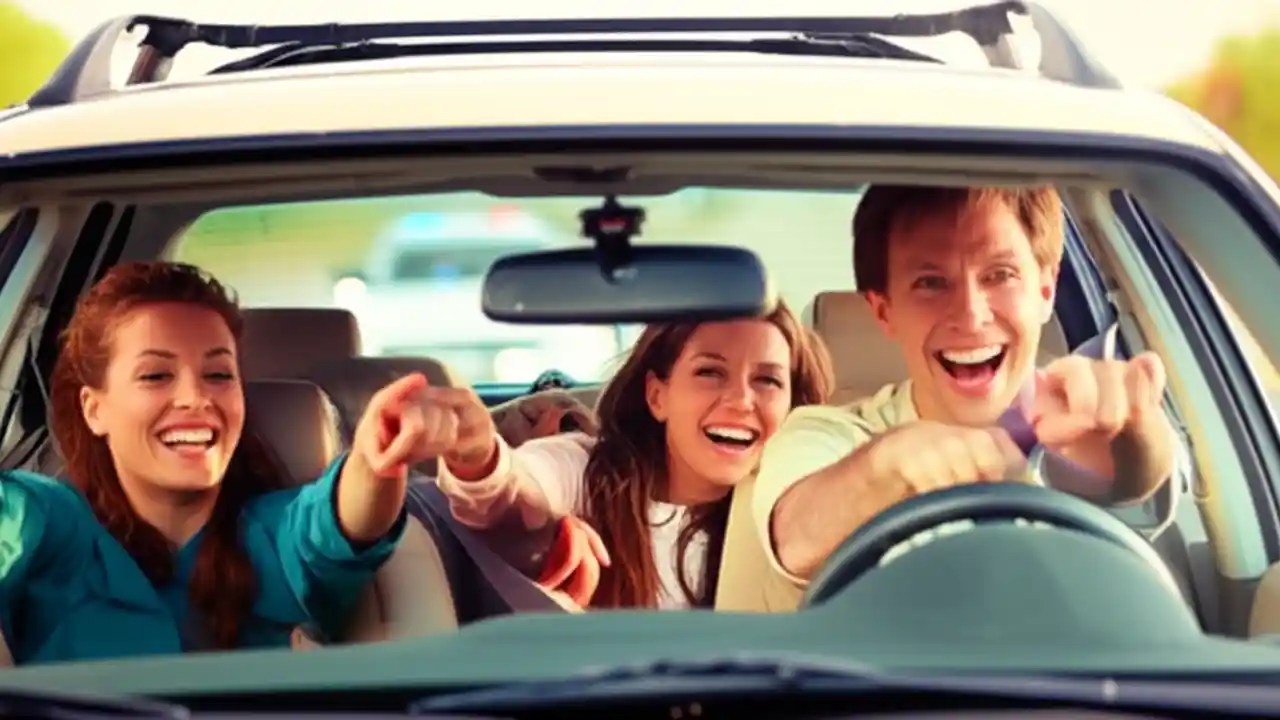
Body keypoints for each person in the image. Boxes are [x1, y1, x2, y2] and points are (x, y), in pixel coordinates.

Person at [753, 185, 1182, 600]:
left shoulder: (1077, 411)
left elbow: (1136, 477)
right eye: (931, 283)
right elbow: (796, 538)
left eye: (1000, 275)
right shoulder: (827, 433)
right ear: (884, 312)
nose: (971, 315)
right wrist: (885, 468)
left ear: (1046, 291)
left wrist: (1131, 431)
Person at [0, 261, 434, 664]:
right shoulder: (42, 520)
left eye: (219, 375)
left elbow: (347, 515)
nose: (196, 397)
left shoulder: (276, 531)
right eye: (156, 375)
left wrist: (380, 453)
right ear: (94, 409)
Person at [425, 301, 834, 609]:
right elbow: (515, 493)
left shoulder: (807, 512)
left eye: (767, 380)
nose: (742, 400)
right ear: (658, 396)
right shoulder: (588, 471)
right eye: (710, 372)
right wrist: (479, 458)